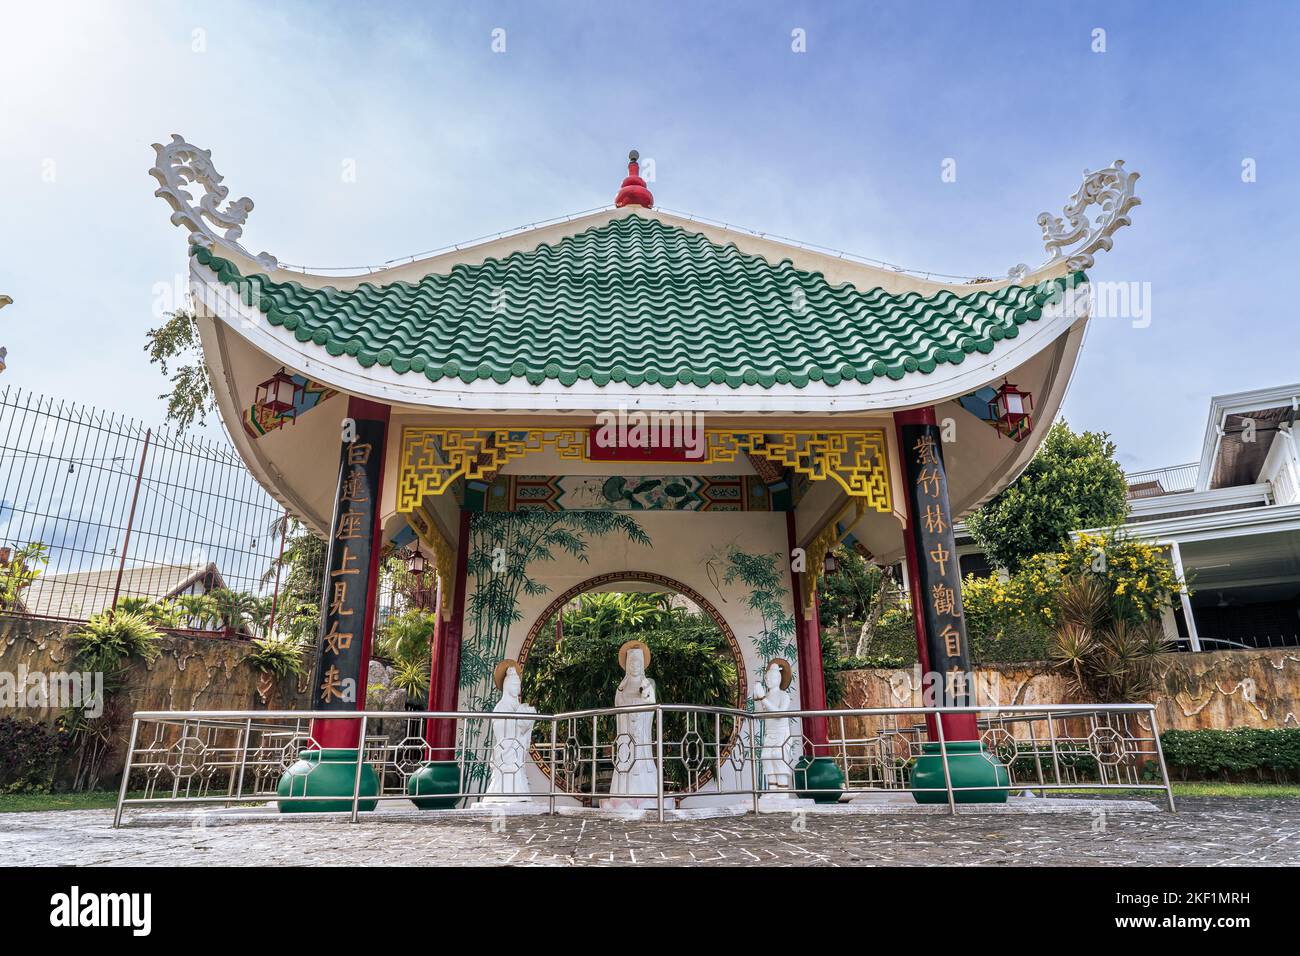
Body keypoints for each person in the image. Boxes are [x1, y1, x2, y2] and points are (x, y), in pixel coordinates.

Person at [605, 639, 658, 810]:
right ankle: (622, 795)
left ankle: (648, 795)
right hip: (626, 732)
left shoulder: (647, 683)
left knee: (642, 759)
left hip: (641, 733)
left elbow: (652, 704)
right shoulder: (622, 687)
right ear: (627, 666)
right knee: (625, 759)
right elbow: (618, 705)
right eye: (632, 663)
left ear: (642, 666)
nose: (635, 666)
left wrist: (645, 697)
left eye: (638, 663)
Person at [482, 659, 537, 803]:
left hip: (517, 750)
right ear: (506, 686)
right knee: (506, 773)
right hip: (506, 749)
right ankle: (503, 793)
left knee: (518, 774)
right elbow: (501, 729)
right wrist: (518, 722)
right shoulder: (501, 707)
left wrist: (527, 718)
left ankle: (520, 794)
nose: (517, 688)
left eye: (518, 685)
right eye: (514, 685)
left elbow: (522, 726)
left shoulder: (518, 705)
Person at [751, 657, 795, 792]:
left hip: (781, 733)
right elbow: (759, 714)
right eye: (767, 678)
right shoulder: (767, 696)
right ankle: (773, 789)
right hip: (769, 733)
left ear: (779, 679)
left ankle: (783, 790)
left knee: (778, 757)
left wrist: (763, 699)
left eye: (772, 678)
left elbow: (780, 713)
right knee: (766, 757)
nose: (768, 680)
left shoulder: (784, 695)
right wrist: (757, 698)